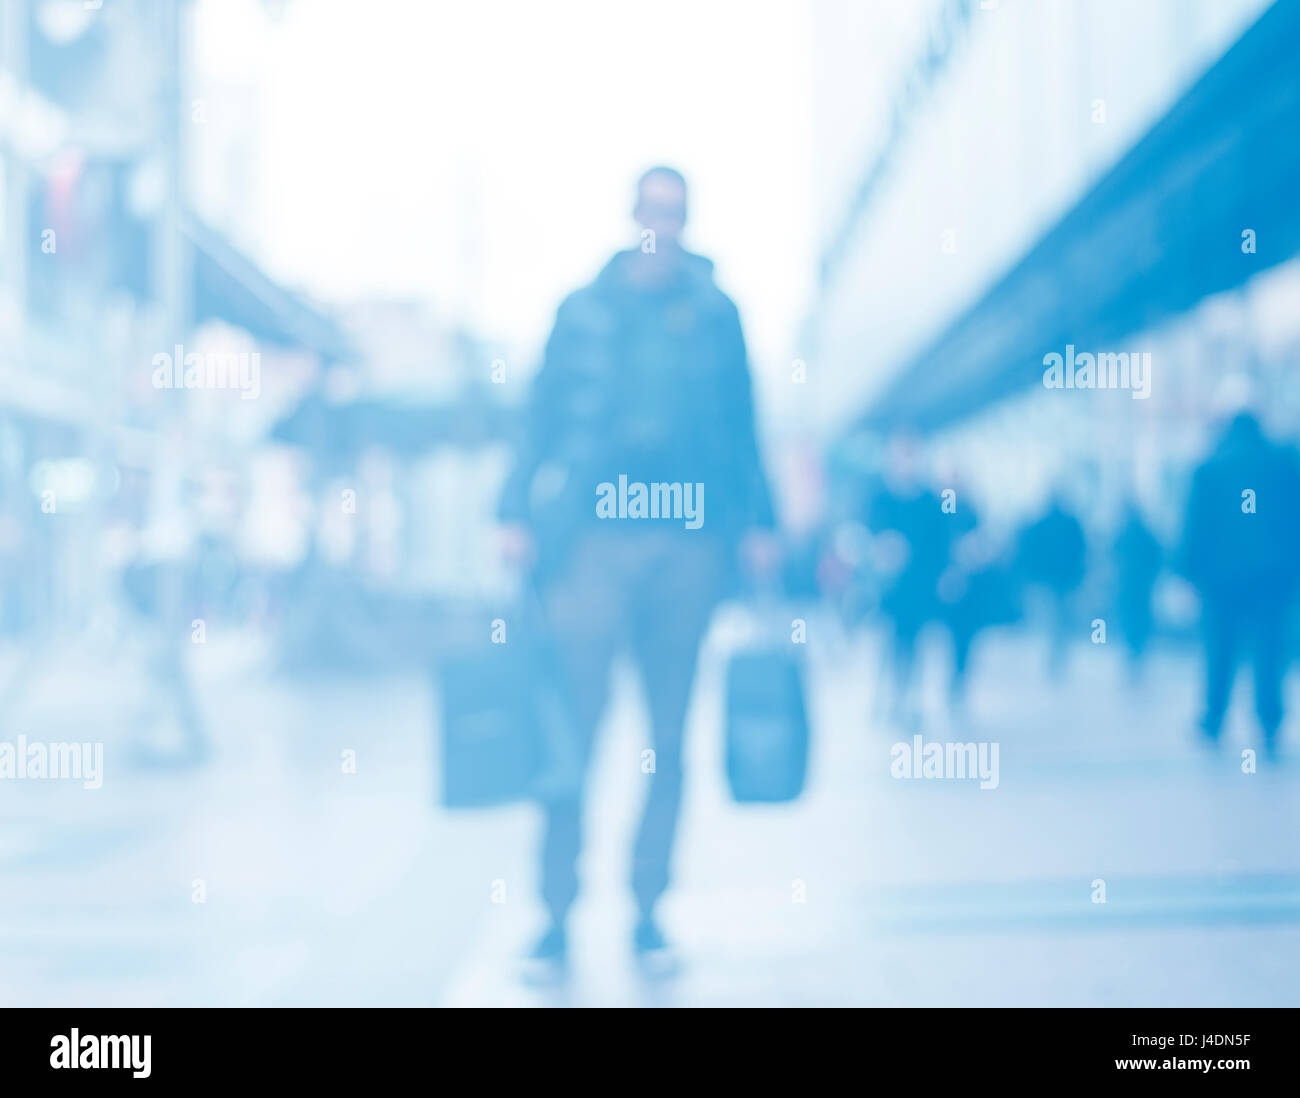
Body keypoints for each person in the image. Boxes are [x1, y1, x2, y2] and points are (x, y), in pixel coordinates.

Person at [497, 166, 778, 972]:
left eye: (677, 213)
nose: (664, 225)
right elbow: (538, 416)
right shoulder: (582, 310)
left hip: (688, 543)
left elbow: (743, 420)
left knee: (666, 735)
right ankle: (554, 915)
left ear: (688, 221)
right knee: (570, 727)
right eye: (653, 211)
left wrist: (758, 523)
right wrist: (515, 509)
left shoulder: (718, 316)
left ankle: (648, 911)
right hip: (591, 541)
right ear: (632, 217)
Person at [1179, 412, 1300, 756]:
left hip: (1222, 578)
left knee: (1220, 646)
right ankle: (1270, 720)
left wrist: (1188, 571)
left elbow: (1195, 523)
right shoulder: (1282, 464)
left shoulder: (1210, 469)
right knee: (1269, 648)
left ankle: (1214, 716)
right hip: (1272, 576)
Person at [1015, 491, 1087, 679]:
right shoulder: (1071, 523)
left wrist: (1031, 575)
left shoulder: (1041, 523)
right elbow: (1080, 549)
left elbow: (1028, 549)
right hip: (1065, 580)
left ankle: (1052, 656)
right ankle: (1056, 655)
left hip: (1048, 579)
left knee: (1051, 619)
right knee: (1060, 620)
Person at [1112, 501, 1163, 680]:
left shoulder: (1124, 535)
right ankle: (1136, 649)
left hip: (1130, 584)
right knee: (1138, 617)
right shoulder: (1145, 534)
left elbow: (1113, 556)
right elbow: (1157, 557)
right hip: (1140, 585)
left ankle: (1133, 649)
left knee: (1131, 617)